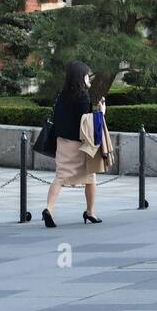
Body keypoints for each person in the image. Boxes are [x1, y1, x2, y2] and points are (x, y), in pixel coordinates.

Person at [42, 61, 108, 227]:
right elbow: (86, 124)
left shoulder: (61, 95)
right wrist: (101, 112)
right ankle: (90, 212)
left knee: (60, 177)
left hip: (62, 142)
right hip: (79, 146)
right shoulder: (83, 97)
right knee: (90, 177)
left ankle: (49, 208)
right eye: (87, 75)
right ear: (81, 77)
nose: (89, 79)